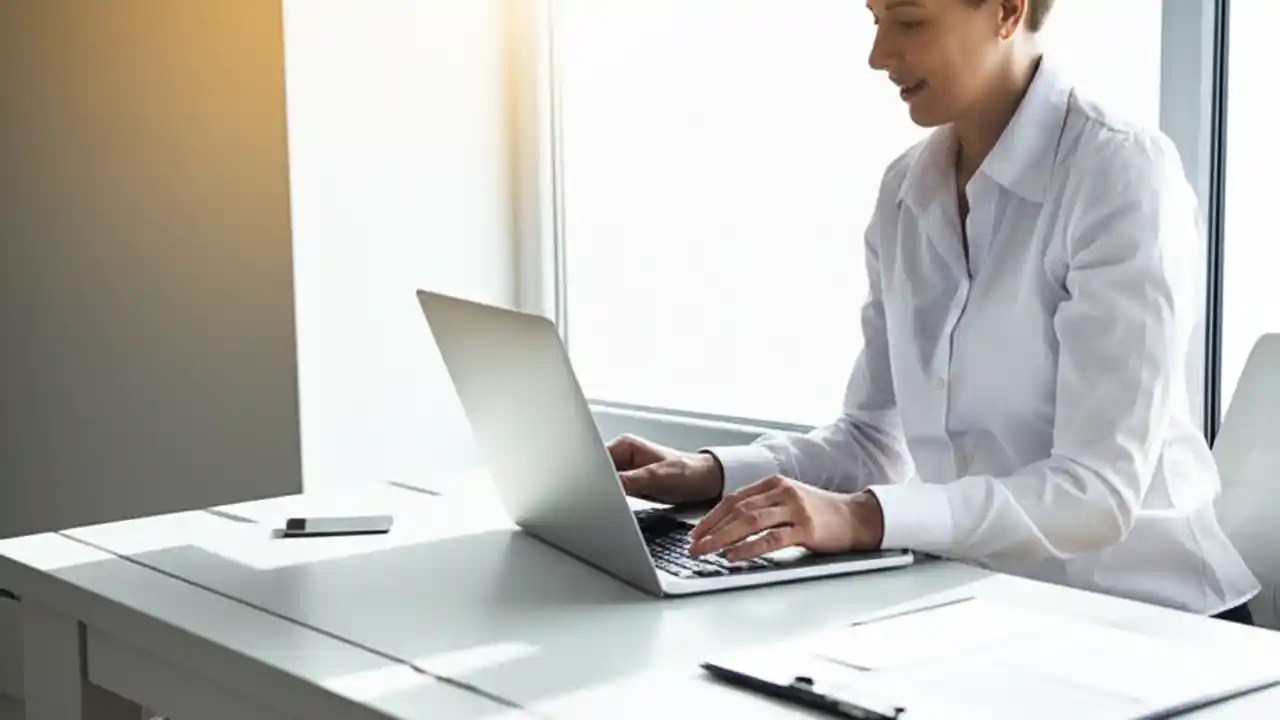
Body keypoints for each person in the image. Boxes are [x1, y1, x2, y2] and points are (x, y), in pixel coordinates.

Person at [606, 0, 1260, 623]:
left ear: (1007, 11)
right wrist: (710, 474)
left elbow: (1096, 496)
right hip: (988, 608)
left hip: (1159, 625)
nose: (878, 54)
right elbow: (871, 442)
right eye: (875, 18)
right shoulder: (903, 193)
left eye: (910, 20)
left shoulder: (1118, 172)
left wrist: (861, 517)